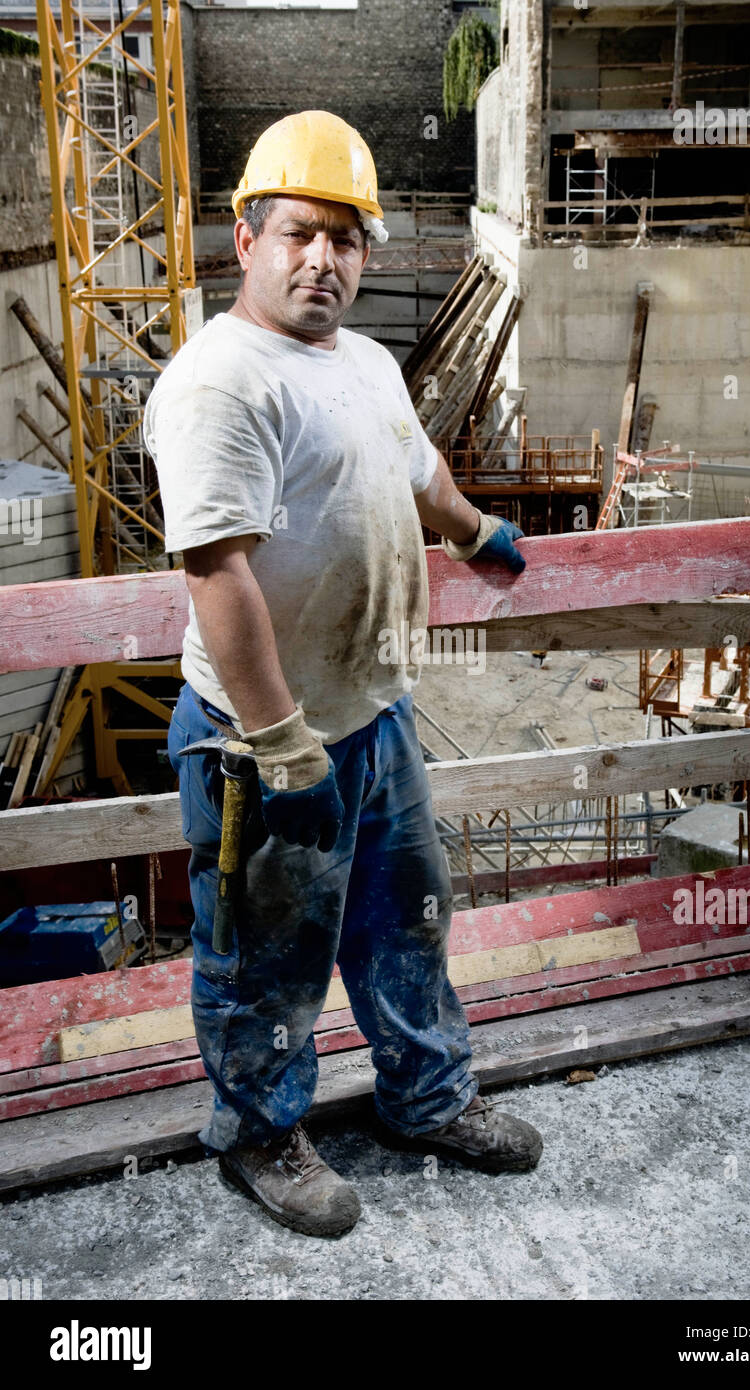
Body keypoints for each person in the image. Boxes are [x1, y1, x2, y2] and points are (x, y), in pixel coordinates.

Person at [144, 110, 542, 1239]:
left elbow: (415, 472)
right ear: (246, 240)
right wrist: (282, 743)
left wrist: (472, 531)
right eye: (299, 233)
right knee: (266, 956)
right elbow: (217, 572)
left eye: (346, 238)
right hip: (261, 745)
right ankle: (259, 1133)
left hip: (373, 717)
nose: (324, 259)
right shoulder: (221, 383)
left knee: (406, 922)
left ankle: (427, 1098)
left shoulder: (362, 363)